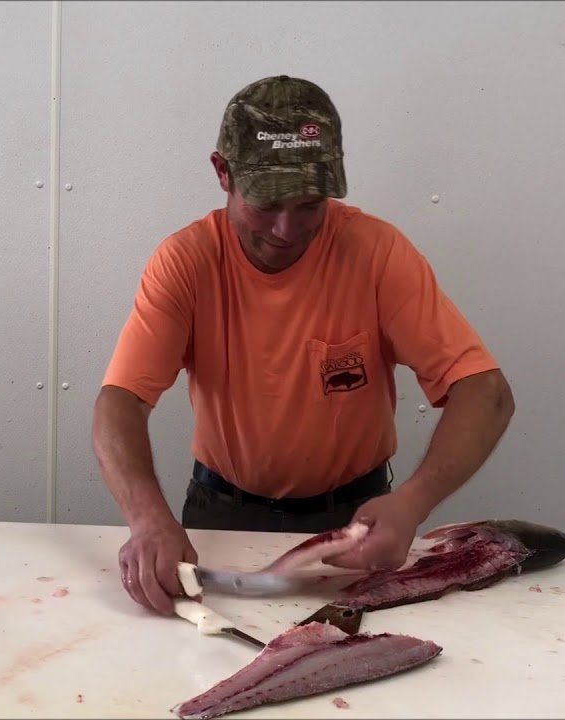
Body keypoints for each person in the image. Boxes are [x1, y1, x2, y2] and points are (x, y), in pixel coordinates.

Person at [91, 75, 515, 616]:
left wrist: (412, 502)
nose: (287, 229)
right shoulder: (186, 262)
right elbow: (119, 402)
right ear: (223, 174)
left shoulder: (377, 252)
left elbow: (486, 391)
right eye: (266, 204)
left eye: (310, 205)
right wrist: (148, 520)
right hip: (220, 512)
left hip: (355, 524)